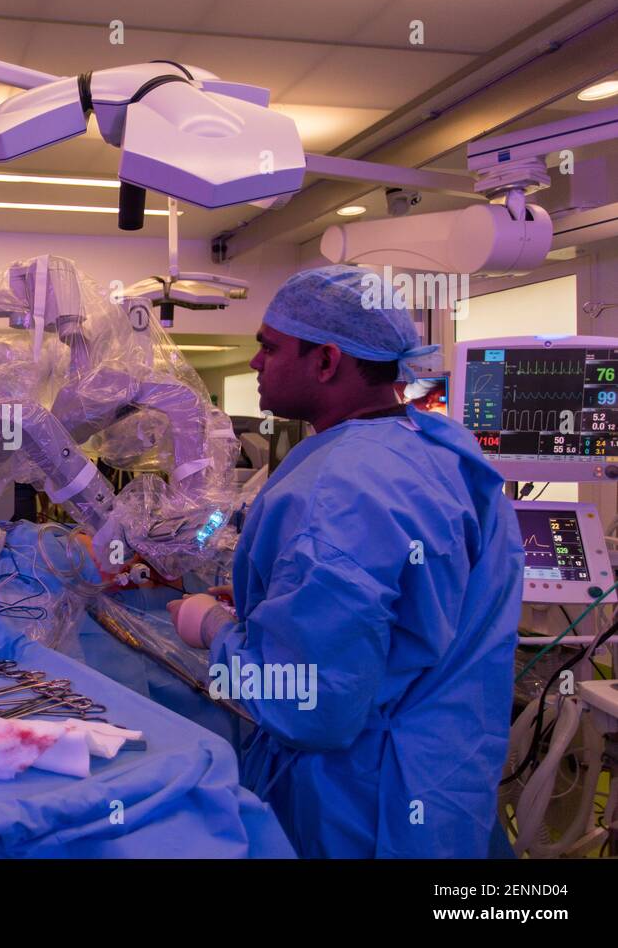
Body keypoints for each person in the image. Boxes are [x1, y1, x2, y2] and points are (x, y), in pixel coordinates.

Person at [168, 265, 523, 859]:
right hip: (448, 780)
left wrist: (214, 630)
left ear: (327, 361)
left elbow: (312, 705)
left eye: (268, 346)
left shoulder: (337, 489)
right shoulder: (444, 449)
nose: (256, 363)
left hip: (365, 805)